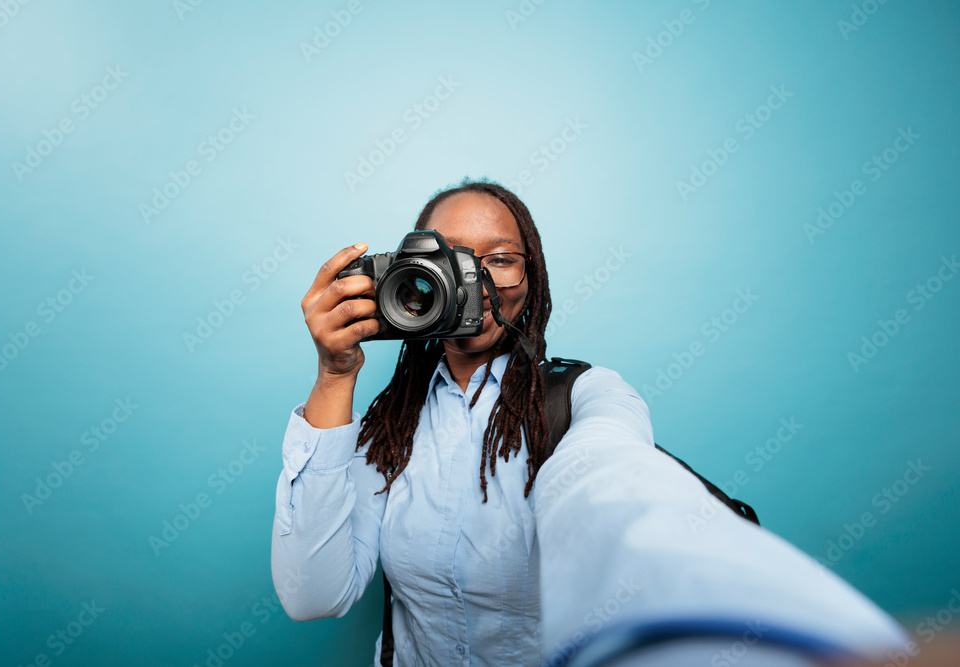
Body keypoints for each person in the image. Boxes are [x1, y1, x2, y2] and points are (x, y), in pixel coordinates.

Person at [271, 178, 911, 666]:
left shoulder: (587, 397)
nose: (474, 282)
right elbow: (312, 595)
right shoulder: (388, 427)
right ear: (407, 281)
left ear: (533, 277)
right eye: (450, 261)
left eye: (500, 259)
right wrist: (334, 375)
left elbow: (610, 483)